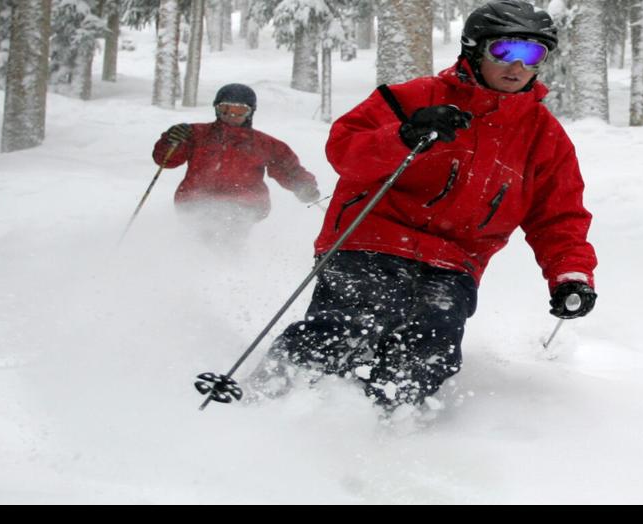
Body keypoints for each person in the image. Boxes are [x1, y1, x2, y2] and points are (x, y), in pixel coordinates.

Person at [253, 0, 598, 411]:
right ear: (475, 49)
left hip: (456, 262)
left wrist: (569, 275)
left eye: (533, 54)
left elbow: (559, 215)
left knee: (430, 347)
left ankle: (388, 423)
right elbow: (344, 150)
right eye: (506, 50)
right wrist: (404, 134)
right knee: (347, 324)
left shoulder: (543, 135)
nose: (519, 66)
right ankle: (271, 400)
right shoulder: (416, 98)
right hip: (373, 239)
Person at [153, 84, 321, 243]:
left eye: (239, 111)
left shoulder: (263, 143)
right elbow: (165, 161)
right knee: (200, 237)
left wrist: (303, 186)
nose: (232, 116)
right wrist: (171, 140)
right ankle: (201, 266)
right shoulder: (197, 134)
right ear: (217, 109)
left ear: (250, 113)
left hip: (243, 204)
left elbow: (288, 168)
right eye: (225, 110)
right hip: (196, 201)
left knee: (226, 232)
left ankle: (228, 267)